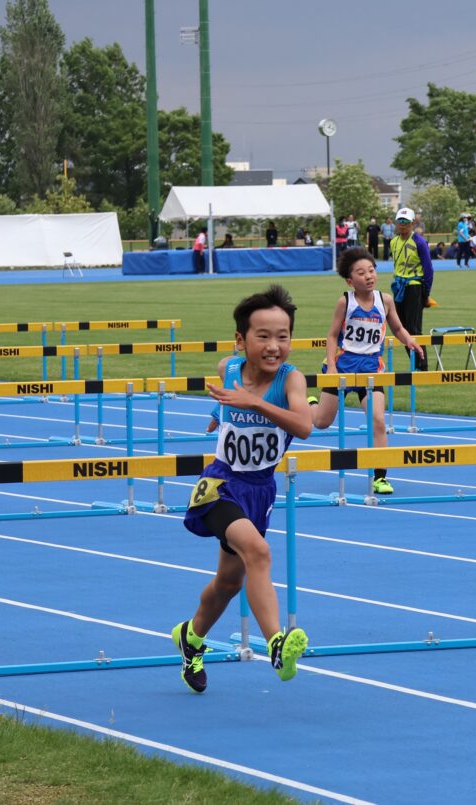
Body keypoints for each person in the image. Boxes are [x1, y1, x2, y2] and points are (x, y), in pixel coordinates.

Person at [173, 284, 312, 692]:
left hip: (259, 490)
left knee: (228, 584)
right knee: (259, 552)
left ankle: (190, 638)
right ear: (241, 339)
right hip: (219, 484)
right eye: (263, 336)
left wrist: (255, 405)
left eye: (282, 336)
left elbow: (304, 426)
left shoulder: (291, 380)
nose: (274, 346)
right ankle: (276, 644)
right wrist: (221, 412)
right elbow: (230, 394)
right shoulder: (228, 368)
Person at [308, 248, 423, 496]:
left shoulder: (386, 300)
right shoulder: (345, 302)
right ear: (350, 281)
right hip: (343, 367)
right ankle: (311, 403)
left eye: (371, 270)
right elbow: (332, 335)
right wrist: (331, 366)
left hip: (371, 369)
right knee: (321, 422)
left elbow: (398, 328)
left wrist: (409, 341)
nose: (369, 276)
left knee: (378, 421)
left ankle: (380, 477)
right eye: (361, 273)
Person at [389, 207, 433, 371]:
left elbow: (428, 269)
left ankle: (422, 366)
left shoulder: (419, 242)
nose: (402, 224)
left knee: (414, 328)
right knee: (399, 328)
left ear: (413, 223)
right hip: (399, 287)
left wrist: (425, 294)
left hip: (414, 287)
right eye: (400, 221)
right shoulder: (393, 242)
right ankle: (415, 363)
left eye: (406, 222)